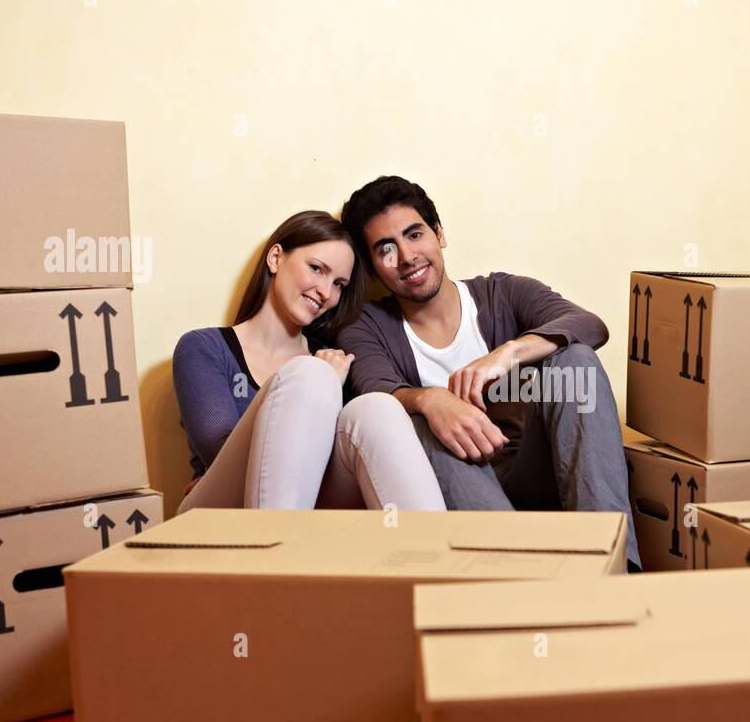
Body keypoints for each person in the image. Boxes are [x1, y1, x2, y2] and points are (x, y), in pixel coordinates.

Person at [336, 176, 641, 570]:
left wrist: (508, 353)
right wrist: (431, 399)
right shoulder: (366, 325)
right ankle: (517, 579)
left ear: (440, 234)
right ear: (374, 269)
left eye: (415, 235)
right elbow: (373, 388)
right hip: (458, 481)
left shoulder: (502, 294)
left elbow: (589, 324)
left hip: (536, 466)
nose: (408, 256)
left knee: (576, 361)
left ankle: (615, 570)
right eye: (387, 249)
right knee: (416, 420)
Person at [172, 209, 445, 513]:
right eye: (317, 268)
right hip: (218, 513)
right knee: (309, 375)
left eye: (339, 284)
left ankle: (426, 553)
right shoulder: (205, 347)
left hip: (311, 510)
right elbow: (218, 453)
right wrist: (318, 380)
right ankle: (276, 552)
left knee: (377, 407)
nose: (326, 292)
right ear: (275, 258)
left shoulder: (333, 357)